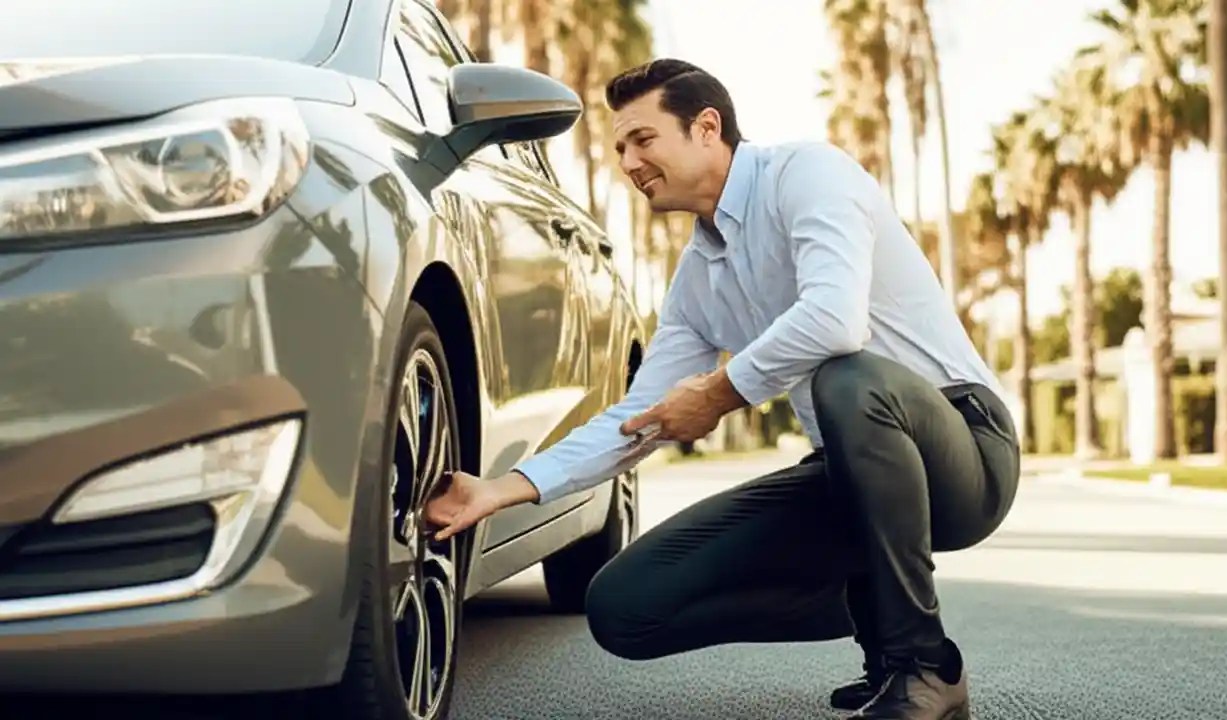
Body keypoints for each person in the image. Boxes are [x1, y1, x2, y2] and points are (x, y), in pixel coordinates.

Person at [423, 58, 1020, 720]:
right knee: (624, 607)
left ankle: (923, 664)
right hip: (848, 478)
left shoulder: (807, 176)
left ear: (707, 127)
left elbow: (835, 318)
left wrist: (718, 393)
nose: (627, 161)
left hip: (965, 448)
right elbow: (639, 416)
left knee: (848, 379)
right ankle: (877, 611)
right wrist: (503, 488)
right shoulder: (699, 276)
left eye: (642, 139)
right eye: (619, 147)